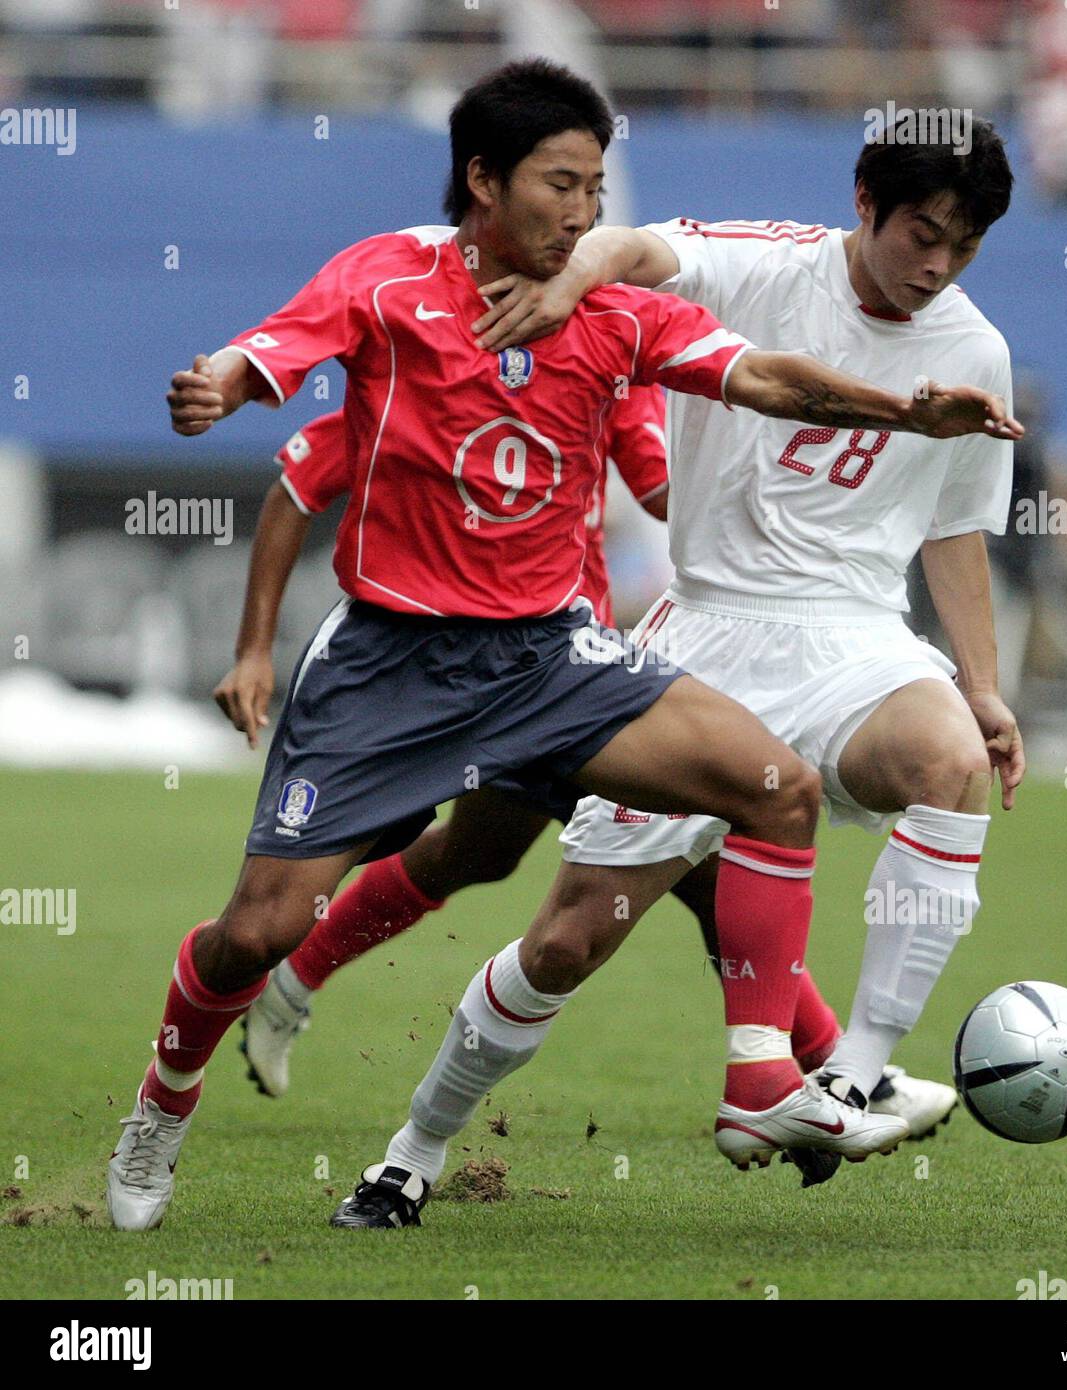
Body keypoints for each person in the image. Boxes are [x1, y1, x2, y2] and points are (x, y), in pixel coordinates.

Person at [106, 59, 1018, 1232]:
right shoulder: (389, 281)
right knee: (258, 929)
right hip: (393, 664)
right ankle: (165, 1104)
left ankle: (779, 1079)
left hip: (552, 661)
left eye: (594, 187)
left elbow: (767, 382)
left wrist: (903, 412)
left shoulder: (613, 317)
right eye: (561, 184)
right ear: (485, 180)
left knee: (771, 790)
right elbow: (275, 360)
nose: (585, 213)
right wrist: (225, 381)